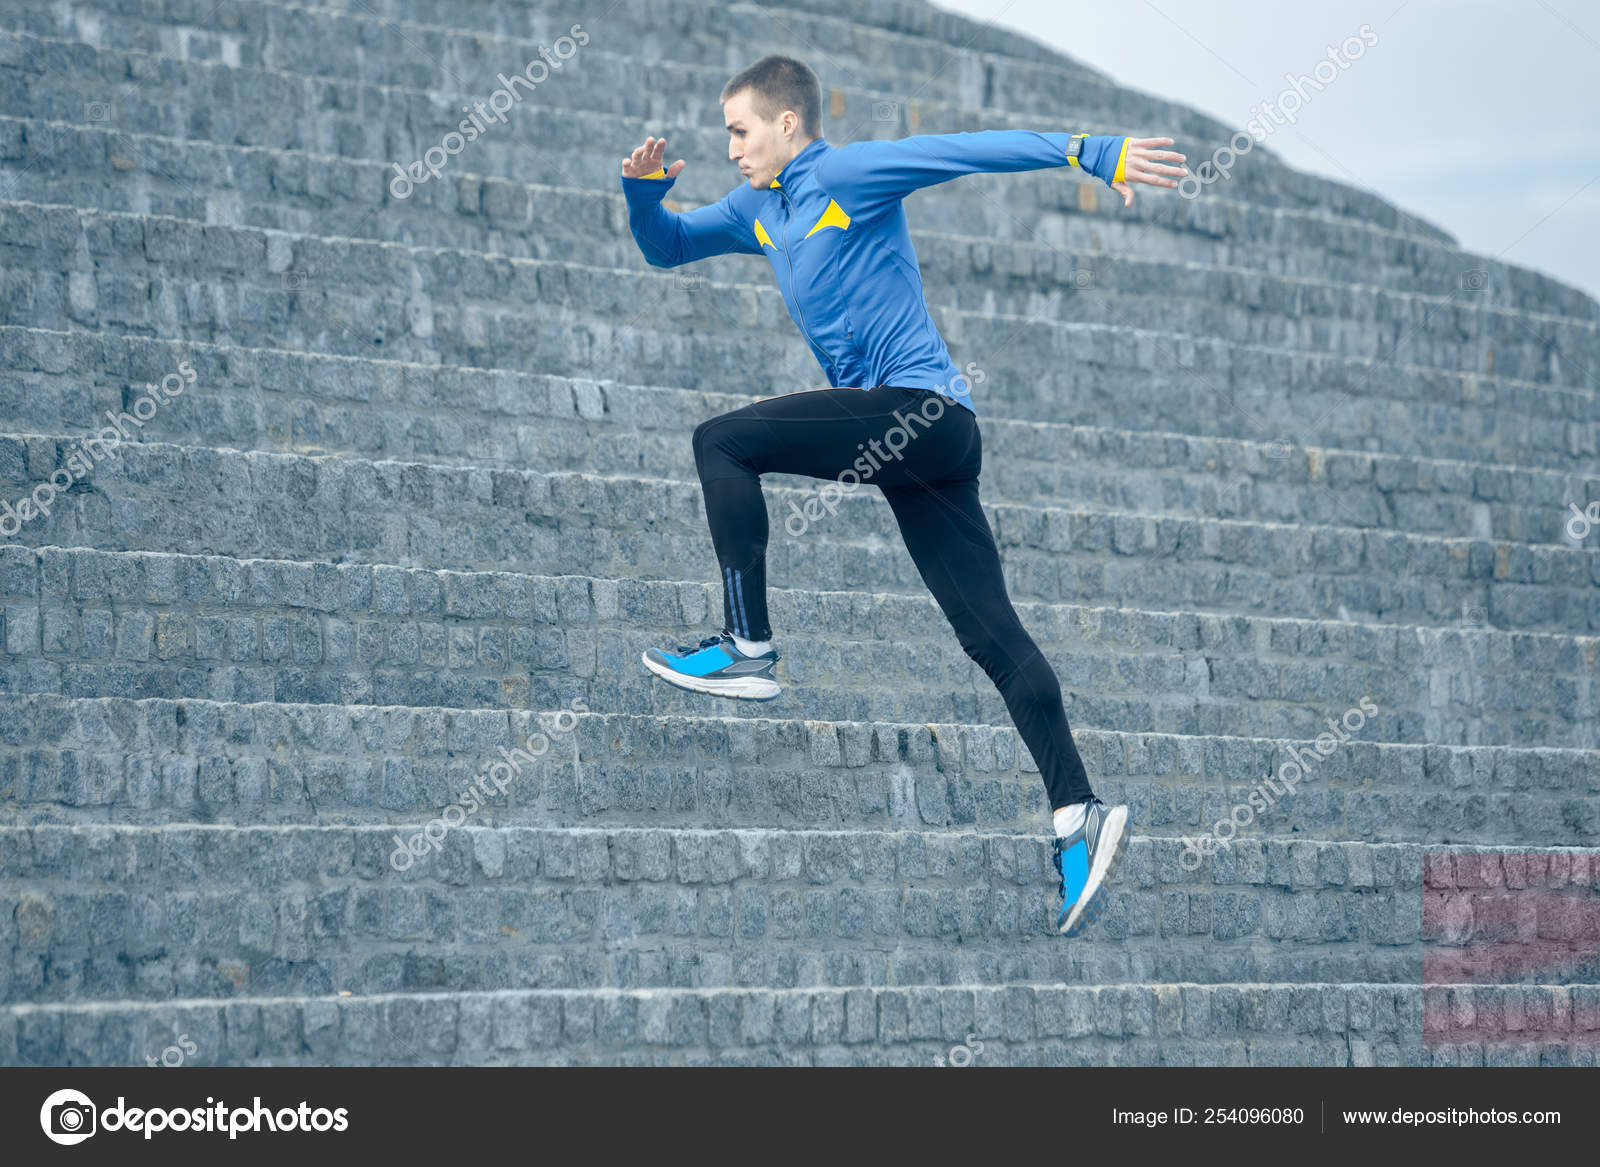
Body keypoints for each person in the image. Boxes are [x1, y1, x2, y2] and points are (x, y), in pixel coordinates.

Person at [618, 55, 1187, 936]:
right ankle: (1079, 816)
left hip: (921, 415)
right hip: (919, 449)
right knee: (989, 636)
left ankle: (748, 647)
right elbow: (669, 249)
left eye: (739, 129)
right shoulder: (756, 211)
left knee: (720, 441)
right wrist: (643, 195)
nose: (728, 147)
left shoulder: (842, 174)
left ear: (788, 126)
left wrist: (1091, 149)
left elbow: (962, 150)